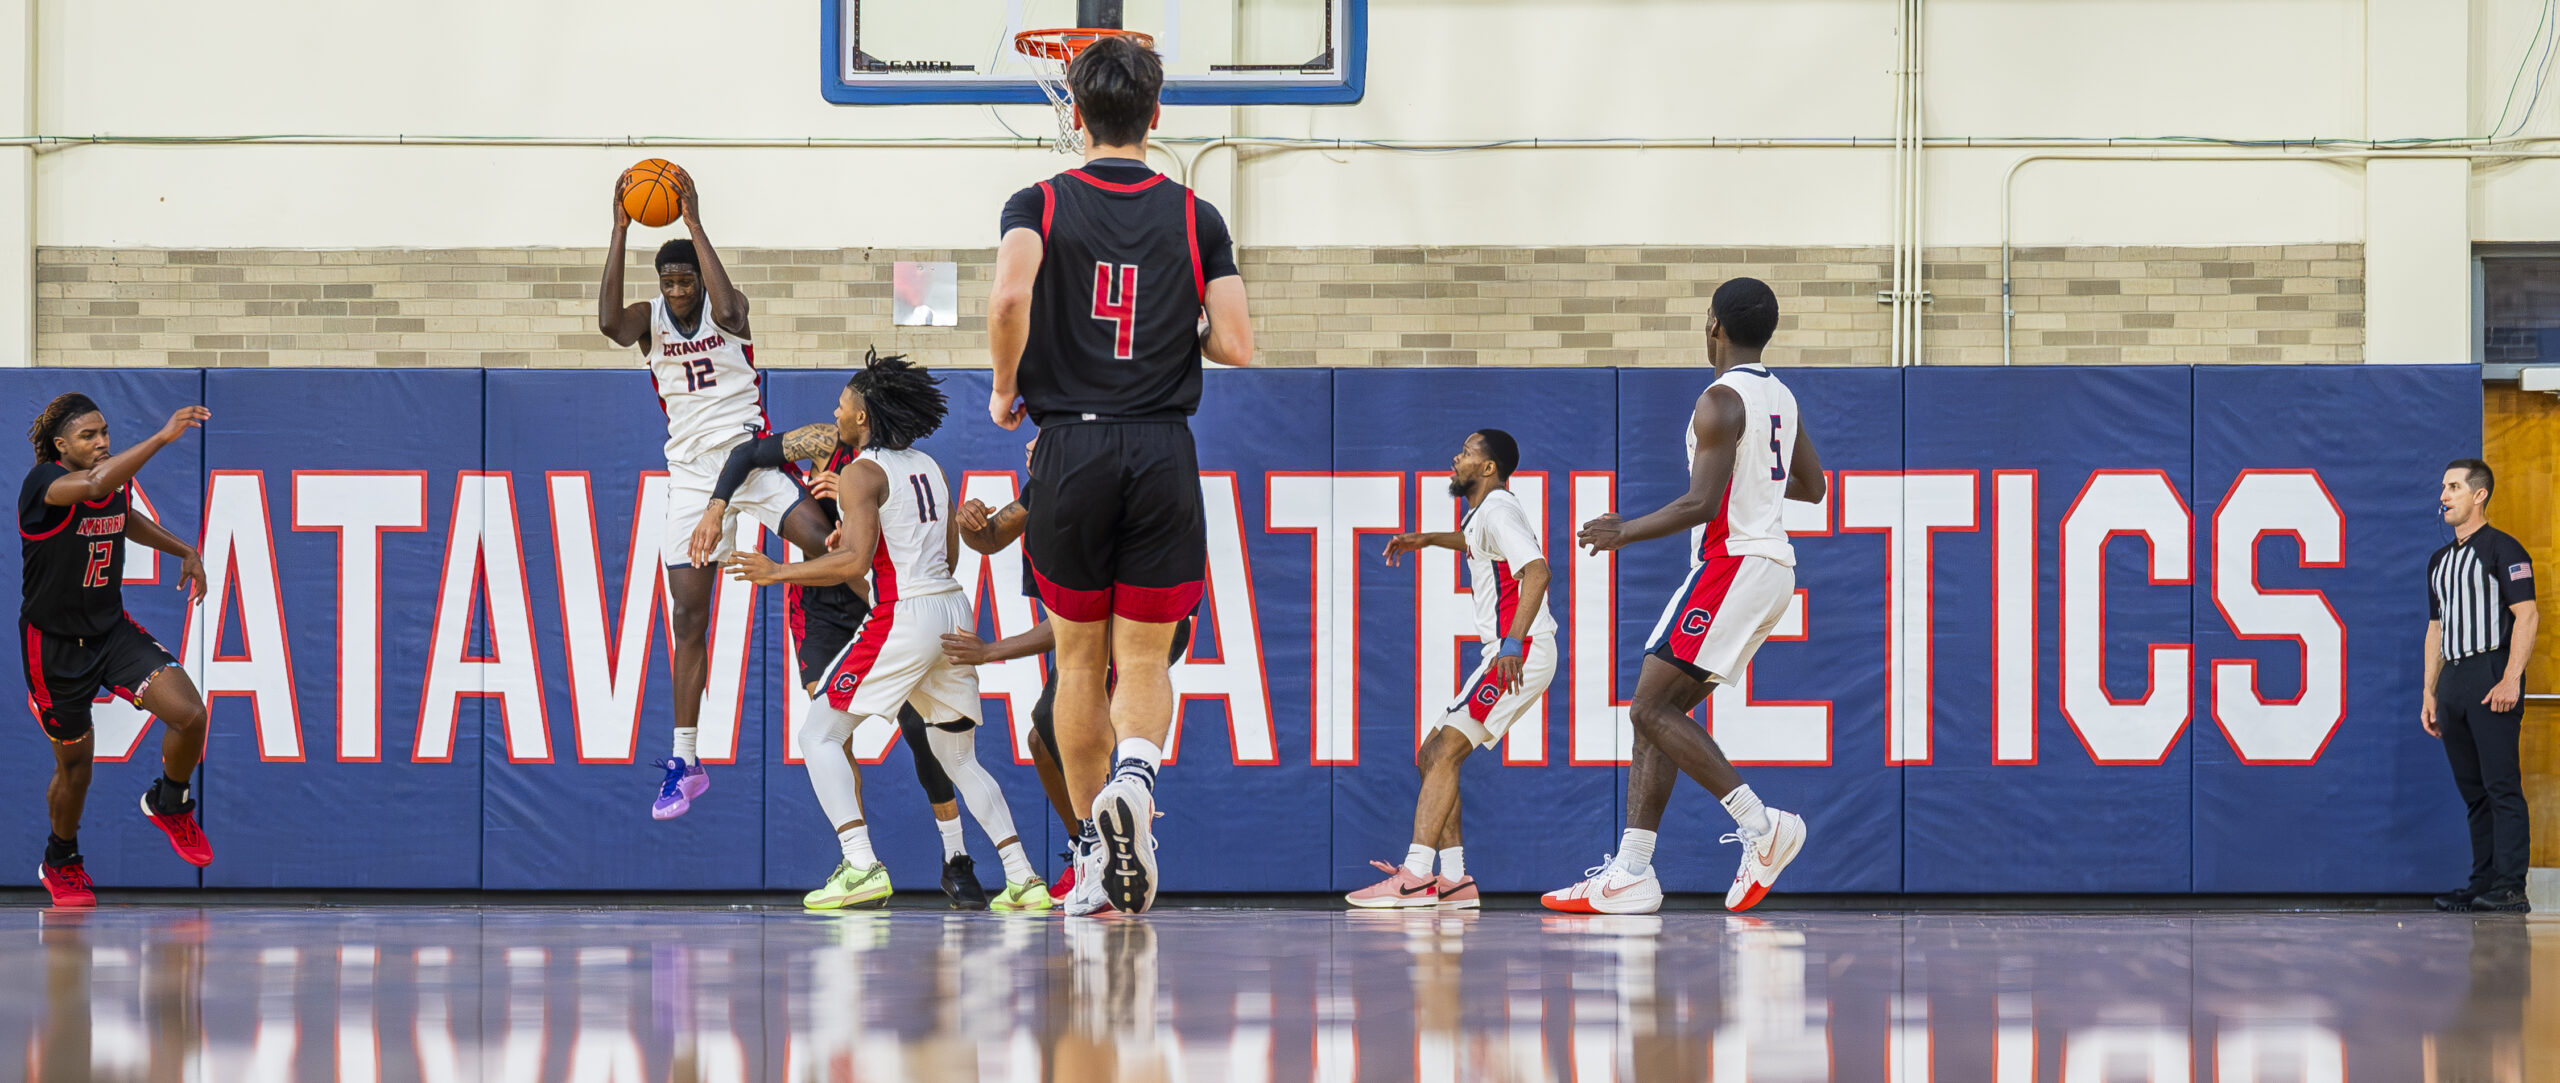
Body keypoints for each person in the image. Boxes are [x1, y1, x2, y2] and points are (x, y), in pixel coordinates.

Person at [986, 34, 1254, 915]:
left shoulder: (1038, 202)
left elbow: (1009, 298)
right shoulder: (1196, 215)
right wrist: (1182, 327)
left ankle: (1095, 864)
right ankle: (1136, 782)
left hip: (1071, 446)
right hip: (1163, 446)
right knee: (1144, 655)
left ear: (1074, 112)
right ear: (1157, 113)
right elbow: (1239, 347)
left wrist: (1003, 386)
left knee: (1076, 659)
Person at [698, 351, 1044, 911]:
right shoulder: (929, 465)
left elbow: (856, 564)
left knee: (818, 736)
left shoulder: (861, 471)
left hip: (904, 614)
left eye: (843, 404)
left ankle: (860, 864)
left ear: (863, 417)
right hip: (951, 608)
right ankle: (1023, 877)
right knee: (960, 759)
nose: (836, 411)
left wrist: (776, 570)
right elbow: (946, 554)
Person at [1544, 278, 1826, 915]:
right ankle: (1631, 873)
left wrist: (1624, 531)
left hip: (1734, 563)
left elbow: (1700, 503)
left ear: (1715, 327)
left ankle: (1762, 827)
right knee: (1658, 714)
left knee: (1648, 708)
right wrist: (1758, 479)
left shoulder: (1720, 400)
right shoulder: (1781, 396)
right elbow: (1812, 486)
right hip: (1771, 568)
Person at [598, 167, 833, 821]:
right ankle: (686, 758)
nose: (677, 290)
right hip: (692, 476)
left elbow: (730, 308)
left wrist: (694, 222)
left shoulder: (727, 312)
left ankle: (852, 638)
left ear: (698, 277)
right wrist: (619, 228)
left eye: (685, 280)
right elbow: (608, 323)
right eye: (669, 281)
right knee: (688, 620)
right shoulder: (649, 321)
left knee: (826, 540)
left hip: (750, 462)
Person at [941, 440, 1198, 906]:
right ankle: (1091, 842)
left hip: (1142, 629)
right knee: (1043, 734)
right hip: (1096, 632)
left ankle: (1108, 838)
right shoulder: (1045, 489)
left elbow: (1079, 622)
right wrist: (970, 523)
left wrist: (991, 650)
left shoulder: (1111, 486)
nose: (1029, 442)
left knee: (1092, 722)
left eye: (1046, 430)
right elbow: (992, 539)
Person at [19, 395, 217, 906]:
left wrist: (184, 549)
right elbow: (93, 487)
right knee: (77, 767)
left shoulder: (109, 476)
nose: (102, 442)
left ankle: (170, 801)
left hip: (110, 633)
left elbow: (121, 513)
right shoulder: (43, 484)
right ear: (61, 446)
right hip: (55, 649)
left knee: (190, 714)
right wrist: (160, 437)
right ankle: (61, 859)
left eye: (104, 432)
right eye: (88, 436)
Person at [1346, 429, 1555, 910]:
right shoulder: (1486, 512)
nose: (1455, 458)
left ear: (1487, 468)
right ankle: (1455, 880)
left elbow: (1538, 571)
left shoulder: (1499, 508)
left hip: (1519, 651)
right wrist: (1429, 539)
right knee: (1431, 755)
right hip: (1509, 650)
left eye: (1466, 453)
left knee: (1443, 752)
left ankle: (1416, 875)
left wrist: (1513, 644)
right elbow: (1475, 540)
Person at [2423, 458, 2538, 914]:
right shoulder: (2440, 560)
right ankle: (2483, 881)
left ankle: (2511, 885)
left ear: (2479, 494)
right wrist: (2429, 692)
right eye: (2443, 487)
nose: (2443, 496)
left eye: (2452, 487)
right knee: (2474, 792)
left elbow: (2527, 616)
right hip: (2453, 677)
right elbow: (2436, 627)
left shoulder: (2503, 549)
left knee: (2501, 786)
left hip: (2491, 673)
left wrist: (2511, 678)